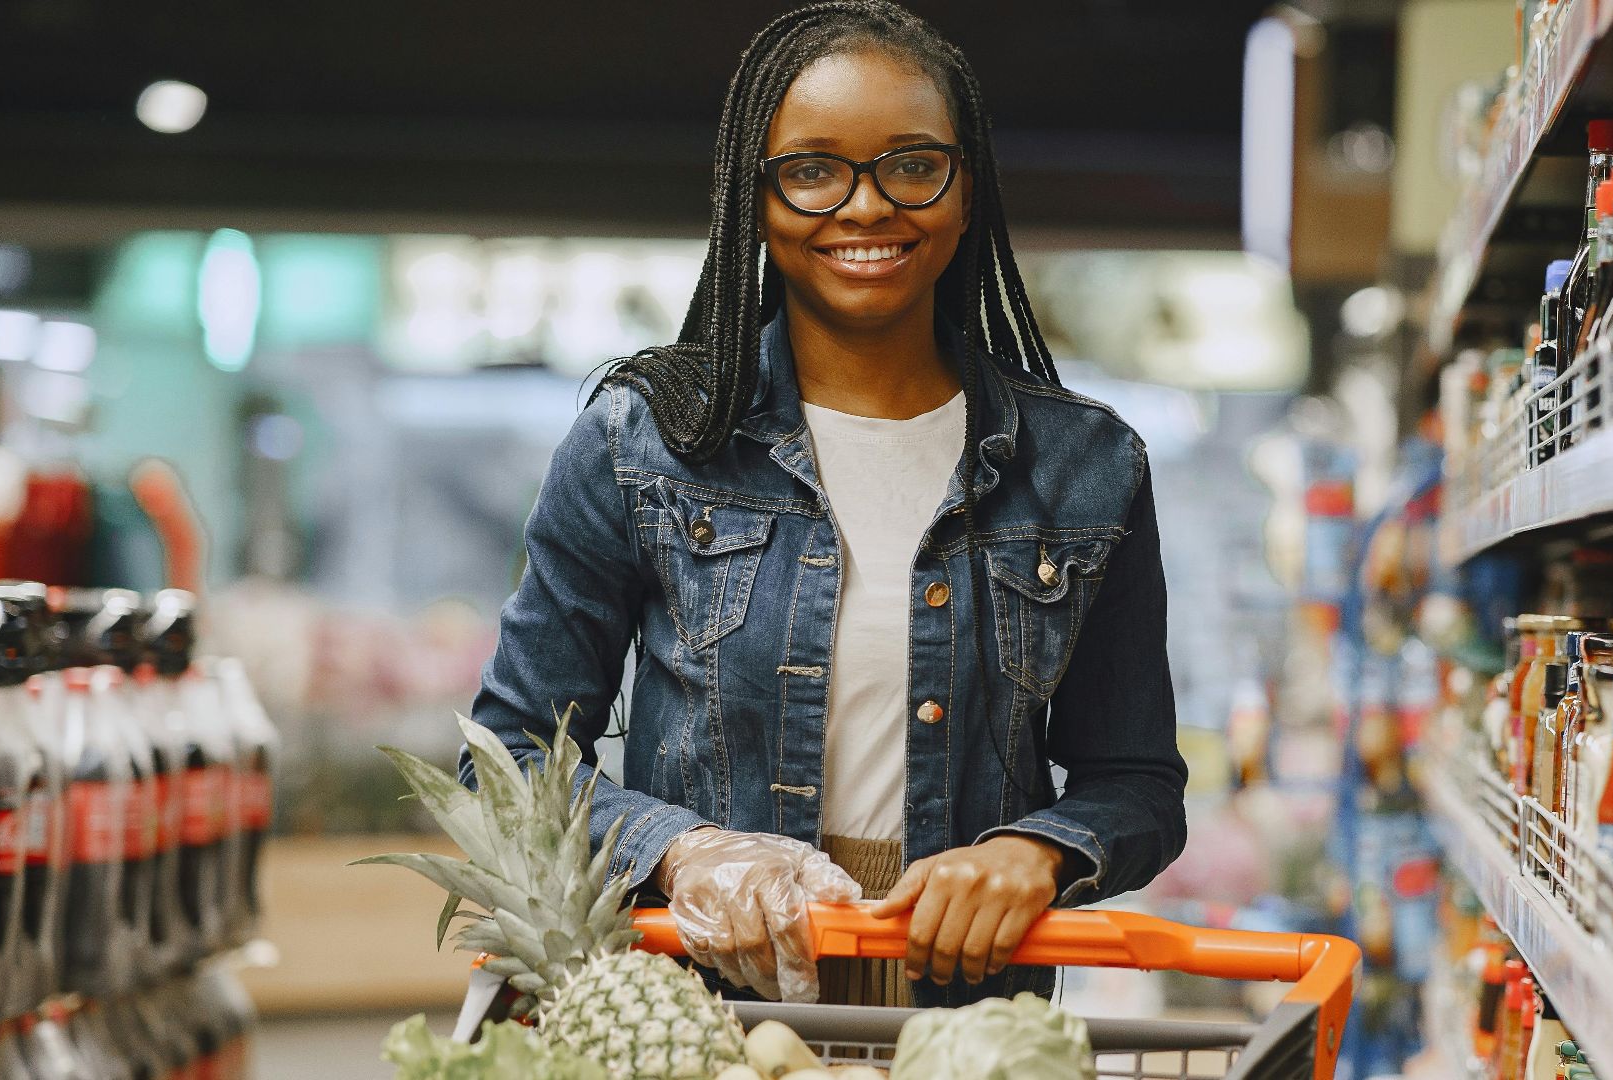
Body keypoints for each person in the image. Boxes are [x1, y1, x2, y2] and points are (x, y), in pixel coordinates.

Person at [467, 0, 1185, 1009]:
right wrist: (684, 851)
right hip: (701, 1017)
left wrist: (1043, 850)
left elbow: (1139, 781)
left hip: (965, 1031)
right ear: (753, 199)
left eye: (911, 163)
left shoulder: (1086, 468)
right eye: (811, 169)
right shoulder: (644, 442)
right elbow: (508, 770)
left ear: (966, 188)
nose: (864, 207)